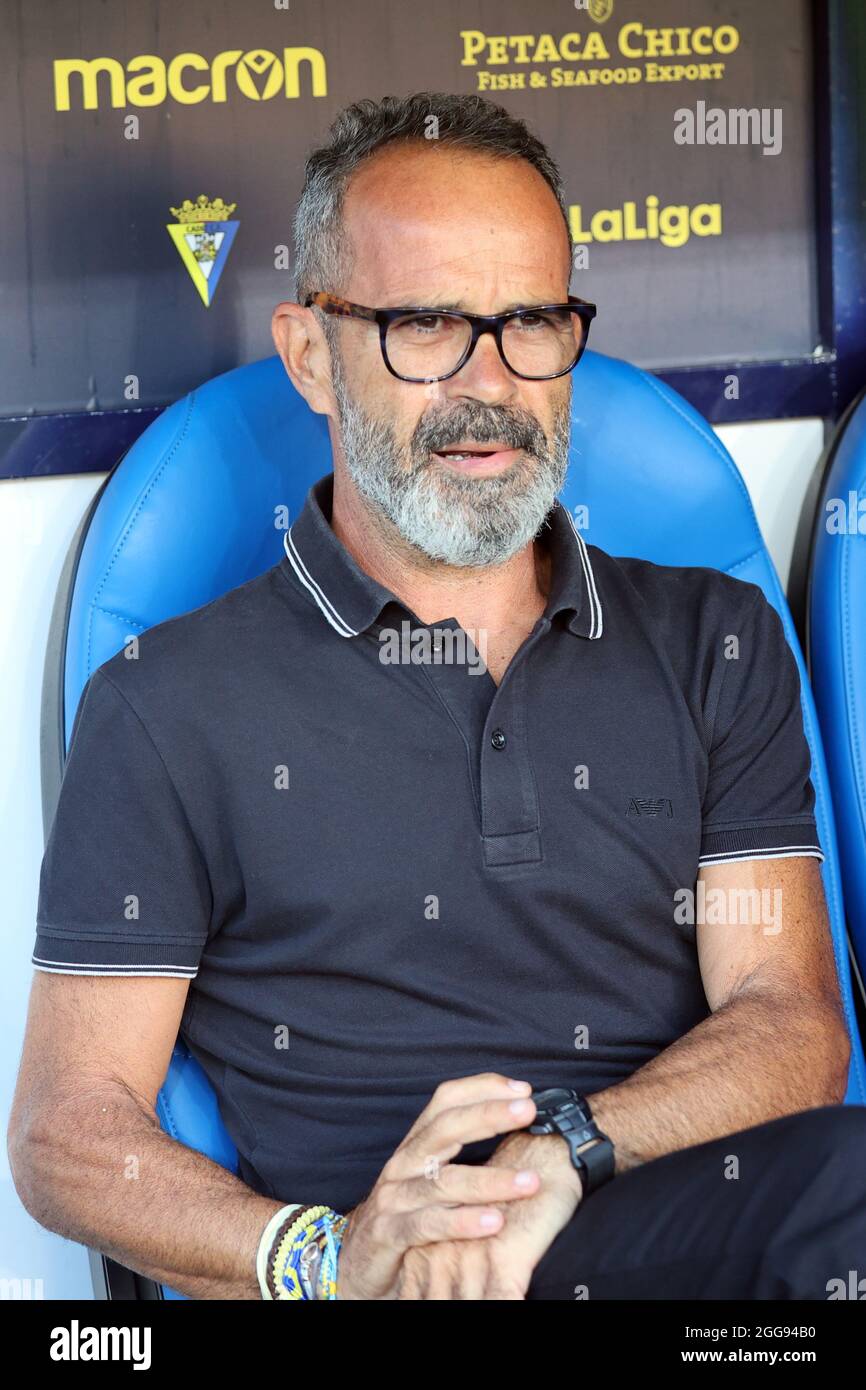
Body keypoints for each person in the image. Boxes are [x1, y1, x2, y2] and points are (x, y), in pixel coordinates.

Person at [9, 93, 866, 1301]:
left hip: (677, 1241)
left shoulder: (712, 640)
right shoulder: (168, 701)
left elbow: (791, 1025)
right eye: (425, 326)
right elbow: (66, 1133)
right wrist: (331, 1257)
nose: (490, 384)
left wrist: (563, 1154)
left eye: (531, 322)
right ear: (310, 354)